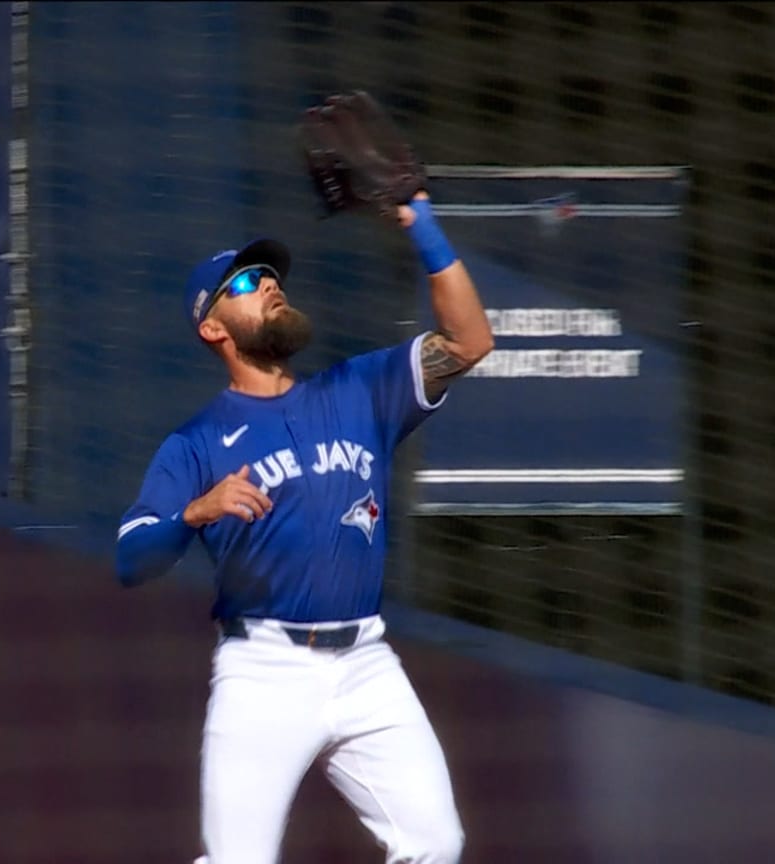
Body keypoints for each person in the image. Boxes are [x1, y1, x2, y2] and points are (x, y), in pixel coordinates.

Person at [114, 191, 493, 864]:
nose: (268, 284)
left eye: (272, 277)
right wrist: (194, 512)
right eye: (246, 282)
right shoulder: (195, 443)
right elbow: (130, 558)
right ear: (212, 328)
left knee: (436, 843)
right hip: (264, 670)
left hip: (366, 662)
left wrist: (420, 221)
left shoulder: (358, 391)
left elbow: (471, 342)